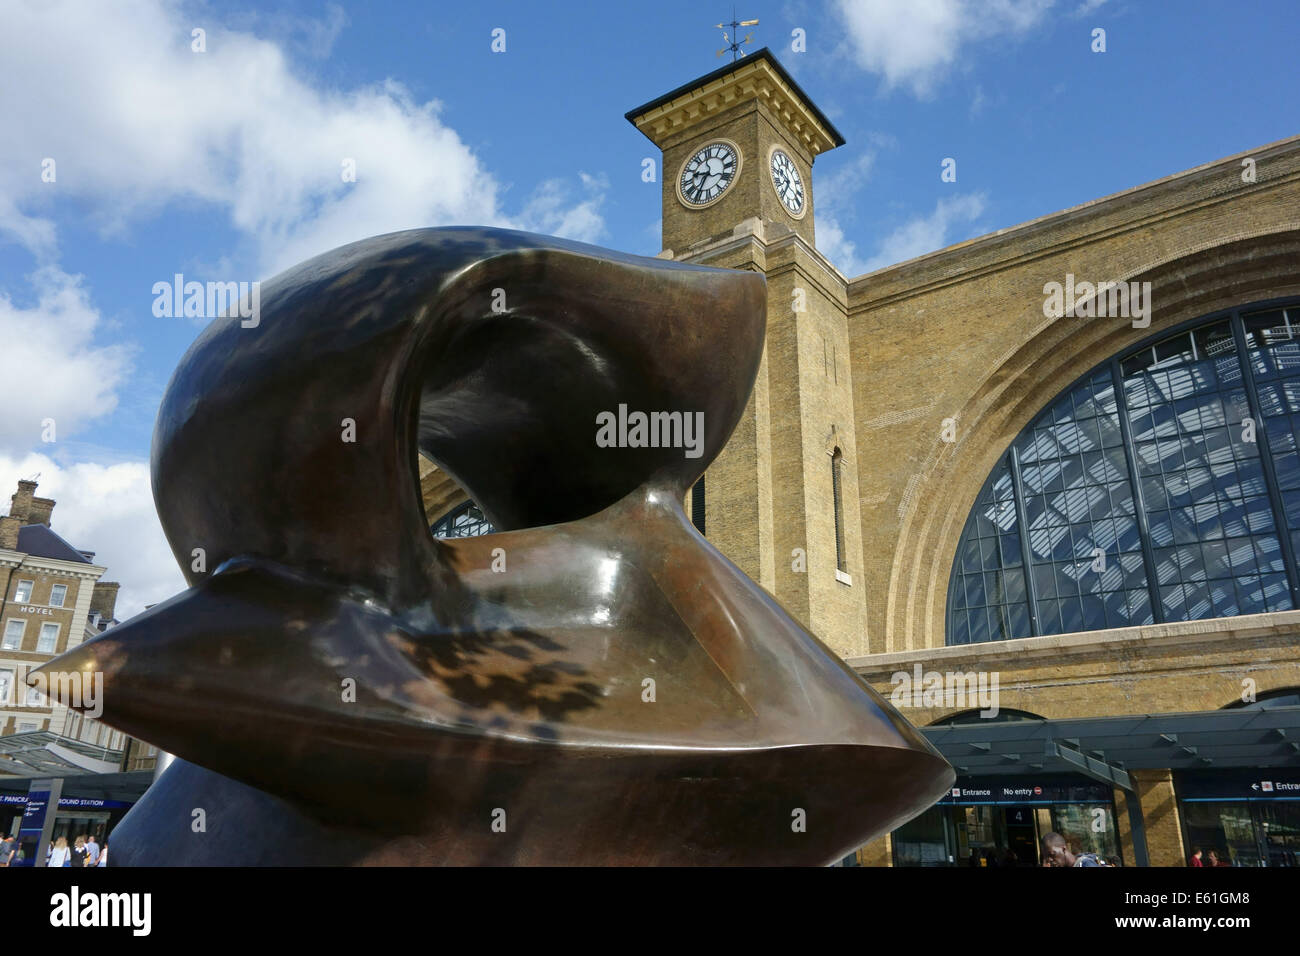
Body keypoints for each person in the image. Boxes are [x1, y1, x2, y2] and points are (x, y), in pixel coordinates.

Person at [1041, 831, 1108, 867]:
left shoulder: (1086, 864)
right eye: (1046, 857)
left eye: (1052, 854)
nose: (1050, 860)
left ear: (1063, 849)